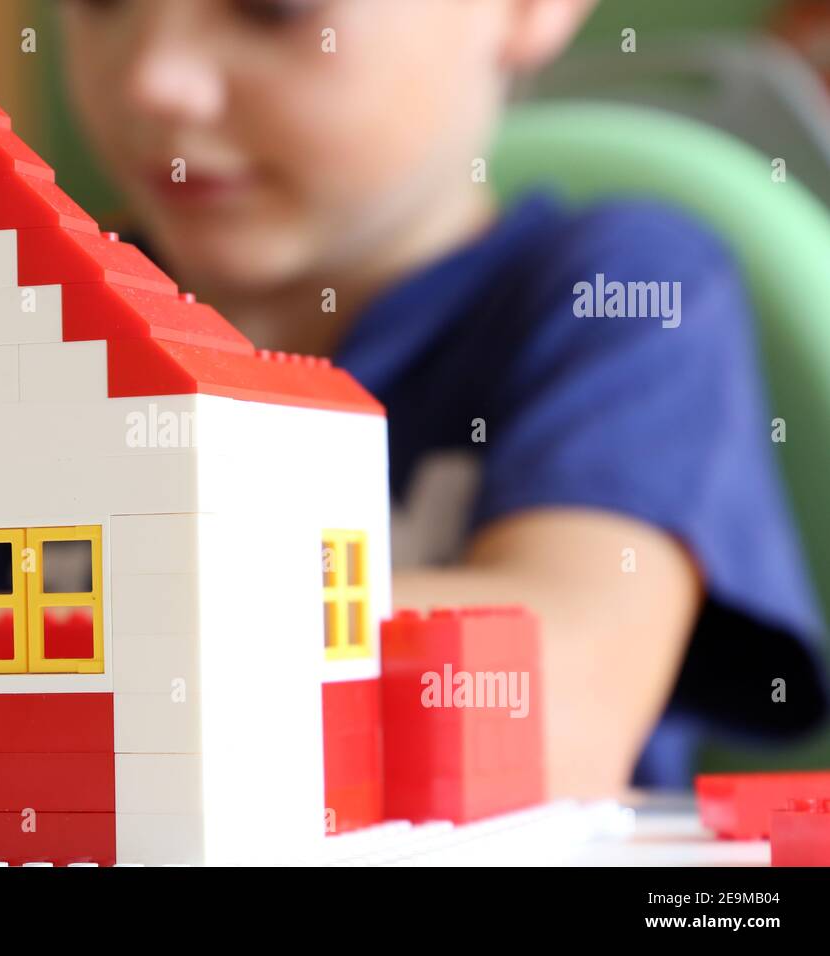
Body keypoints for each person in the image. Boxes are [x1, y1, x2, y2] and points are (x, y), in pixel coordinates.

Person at [53, 0, 828, 794]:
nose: (153, 81)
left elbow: (548, 707)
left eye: (273, 11)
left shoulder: (626, 289)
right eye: (99, 2)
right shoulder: (40, 306)